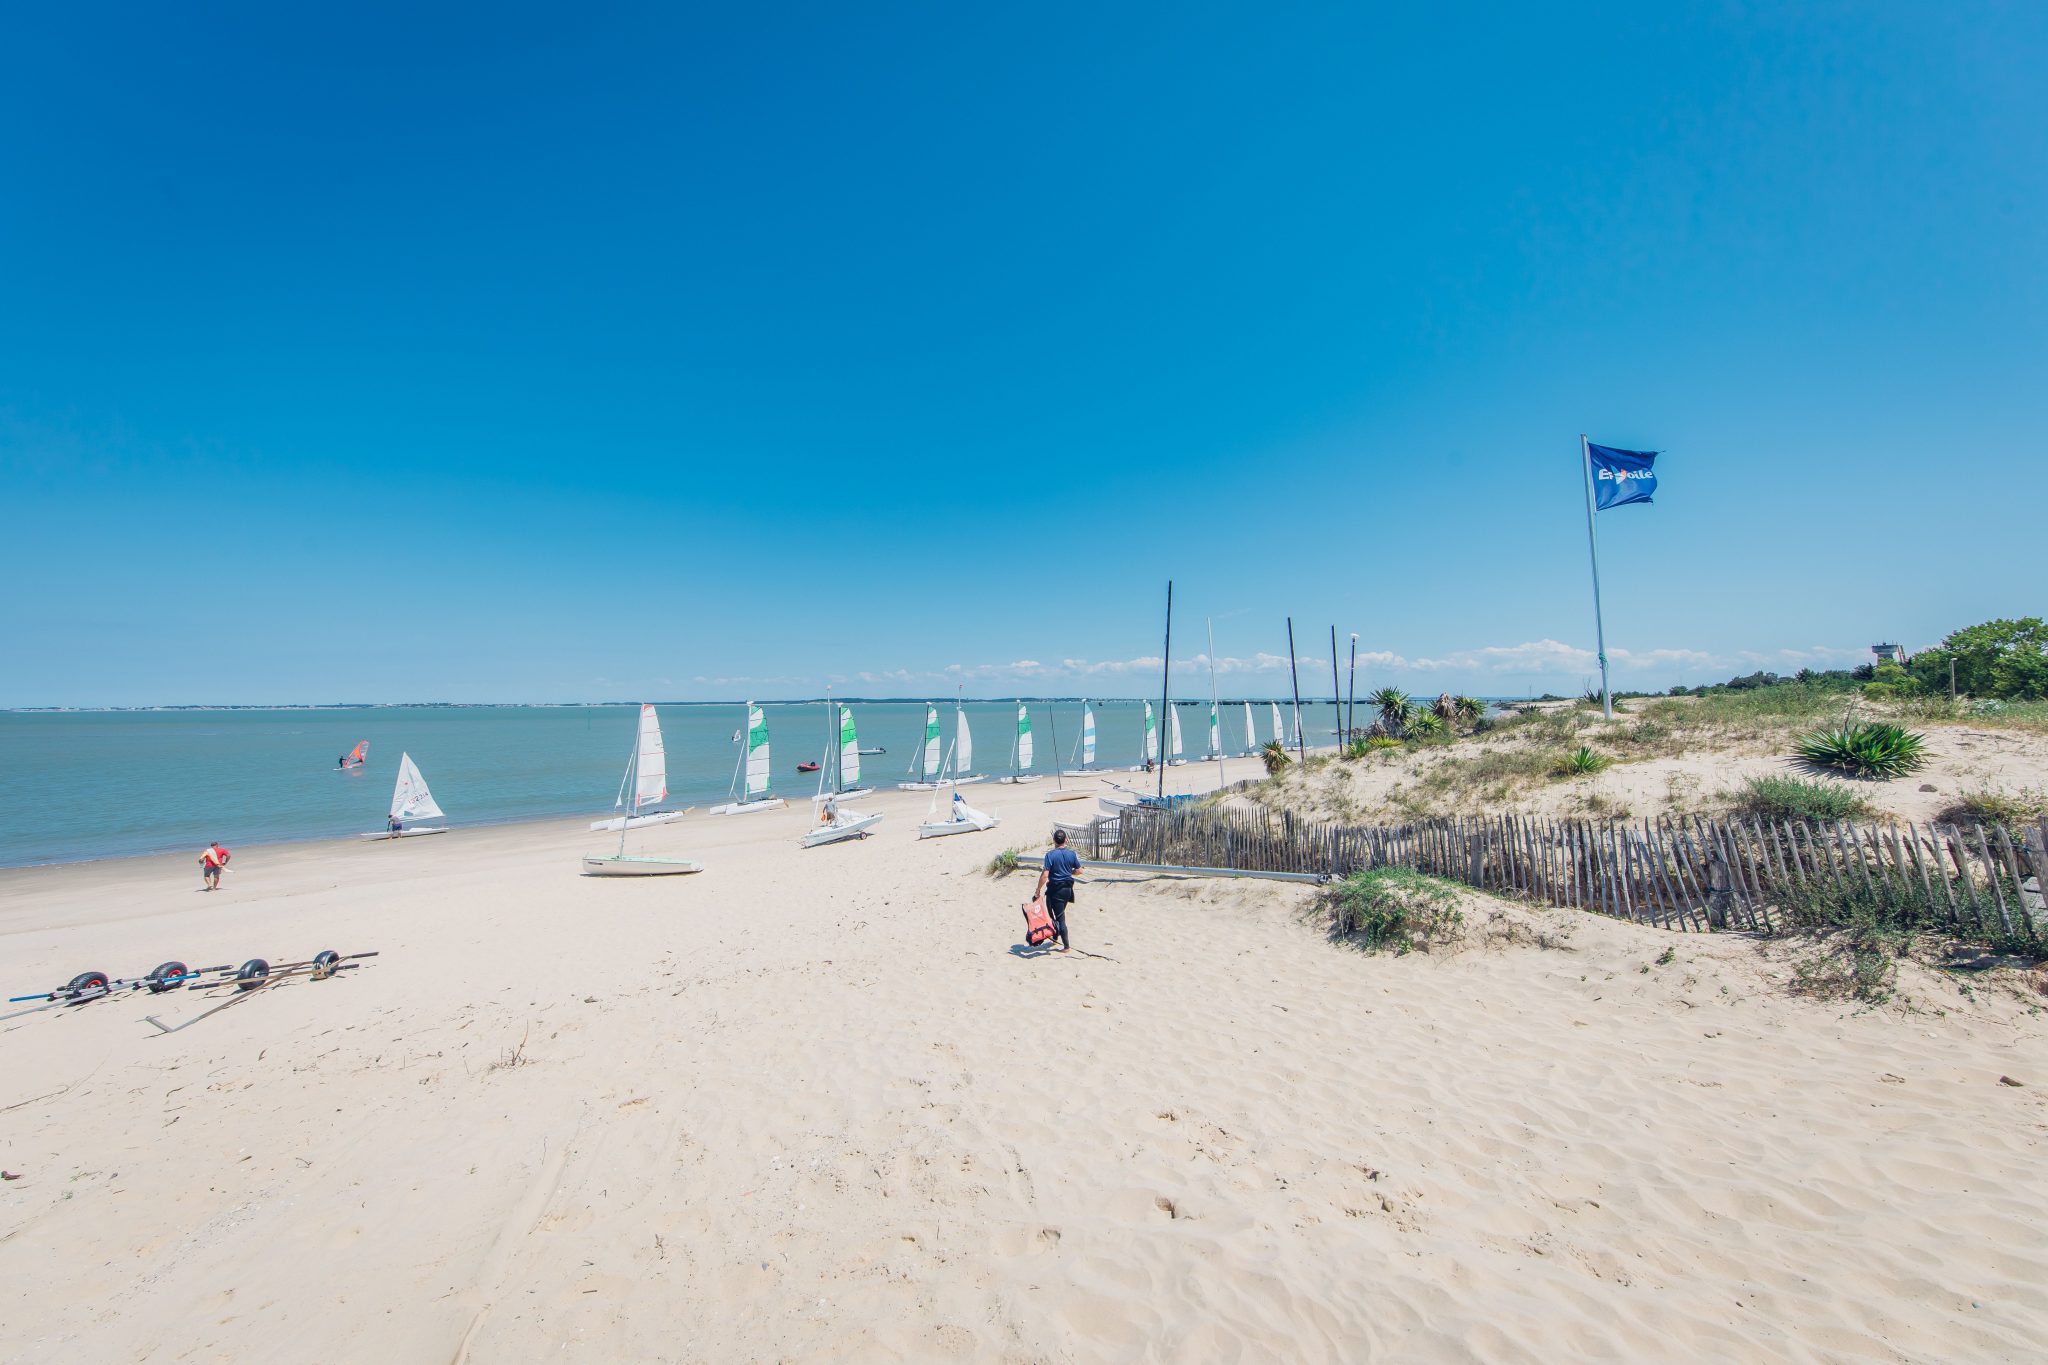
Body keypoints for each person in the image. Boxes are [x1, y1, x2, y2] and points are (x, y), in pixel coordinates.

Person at [1033, 828, 1083, 952]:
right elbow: (1080, 871)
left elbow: (1045, 875)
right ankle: (1055, 936)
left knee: (1059, 917)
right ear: (1065, 840)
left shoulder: (1050, 855)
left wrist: (1038, 890)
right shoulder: (1071, 854)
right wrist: (1068, 872)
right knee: (1054, 912)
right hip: (1068, 890)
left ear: (1054, 840)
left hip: (1056, 890)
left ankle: (1066, 946)